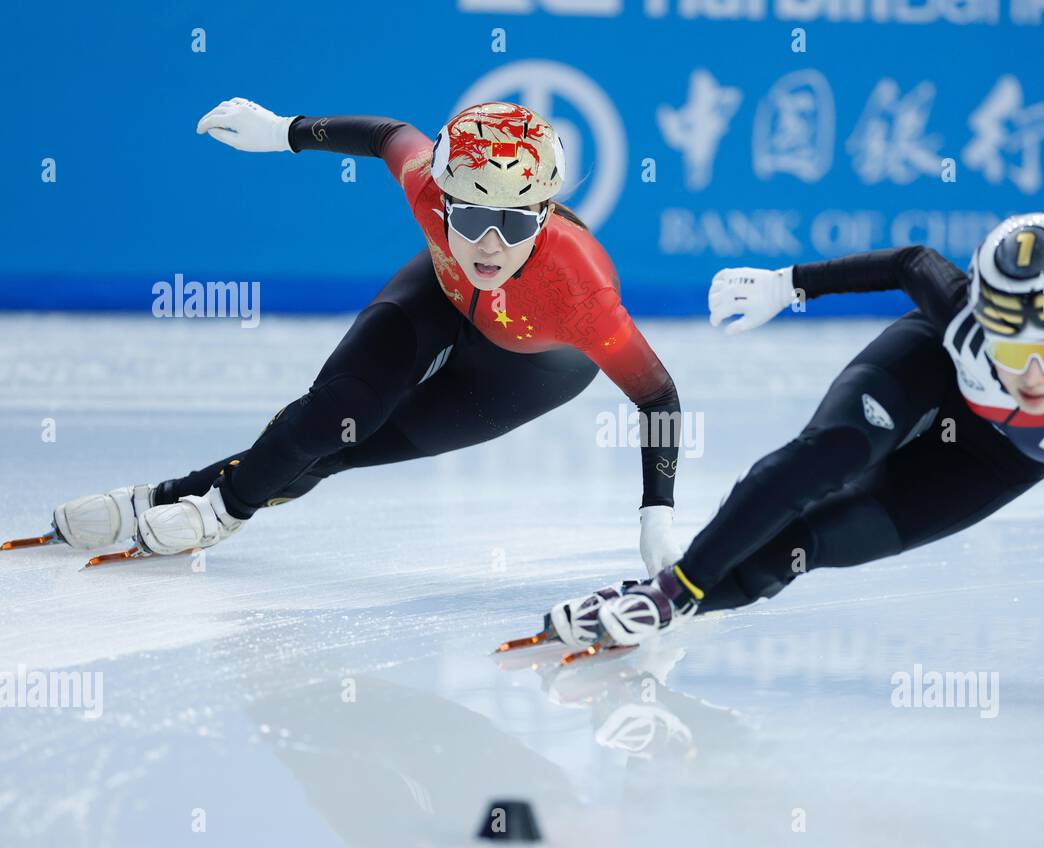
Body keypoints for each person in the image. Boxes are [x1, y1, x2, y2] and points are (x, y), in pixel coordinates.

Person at [543, 212, 1044, 694]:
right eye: (1007, 342)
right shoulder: (960, 319)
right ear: (982, 318)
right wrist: (789, 285)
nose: (1027, 373)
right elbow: (910, 264)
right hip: (928, 368)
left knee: (815, 542)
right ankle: (669, 593)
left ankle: (657, 601)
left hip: (997, 459)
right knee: (832, 455)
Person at [21, 98, 684, 576]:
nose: (488, 244)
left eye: (513, 225)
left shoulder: (582, 290)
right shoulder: (426, 181)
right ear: (444, 197)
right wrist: (284, 132)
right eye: (474, 214)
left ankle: (184, 498)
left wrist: (657, 511)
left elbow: (658, 398)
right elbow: (387, 133)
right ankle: (190, 505)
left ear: (544, 216)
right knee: (335, 416)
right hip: (441, 296)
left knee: (339, 452)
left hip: (530, 369)